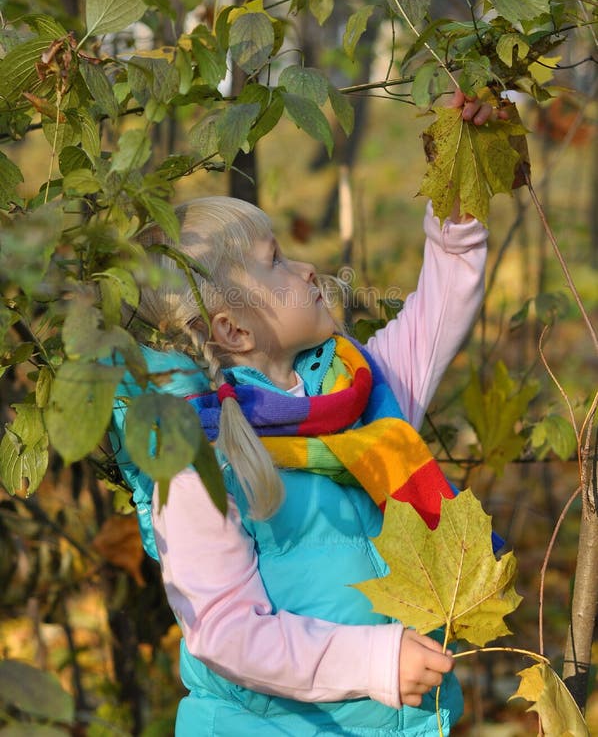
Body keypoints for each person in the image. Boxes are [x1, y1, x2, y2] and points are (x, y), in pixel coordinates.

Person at [109, 92, 506, 736]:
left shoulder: (359, 394)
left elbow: (444, 299)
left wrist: (456, 183)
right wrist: (375, 660)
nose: (307, 266)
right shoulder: (194, 455)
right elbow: (226, 631)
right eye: (275, 263)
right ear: (232, 330)